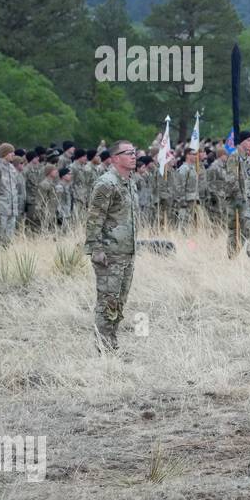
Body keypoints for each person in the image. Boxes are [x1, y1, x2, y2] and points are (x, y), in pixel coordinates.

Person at [84, 140, 139, 351]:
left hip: (126, 252)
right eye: (129, 153)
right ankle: (103, 347)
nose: (134, 156)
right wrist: (96, 249)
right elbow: (94, 219)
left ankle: (111, 342)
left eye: (135, 152)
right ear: (116, 158)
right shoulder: (106, 183)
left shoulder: (129, 181)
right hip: (109, 254)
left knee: (120, 301)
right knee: (108, 302)